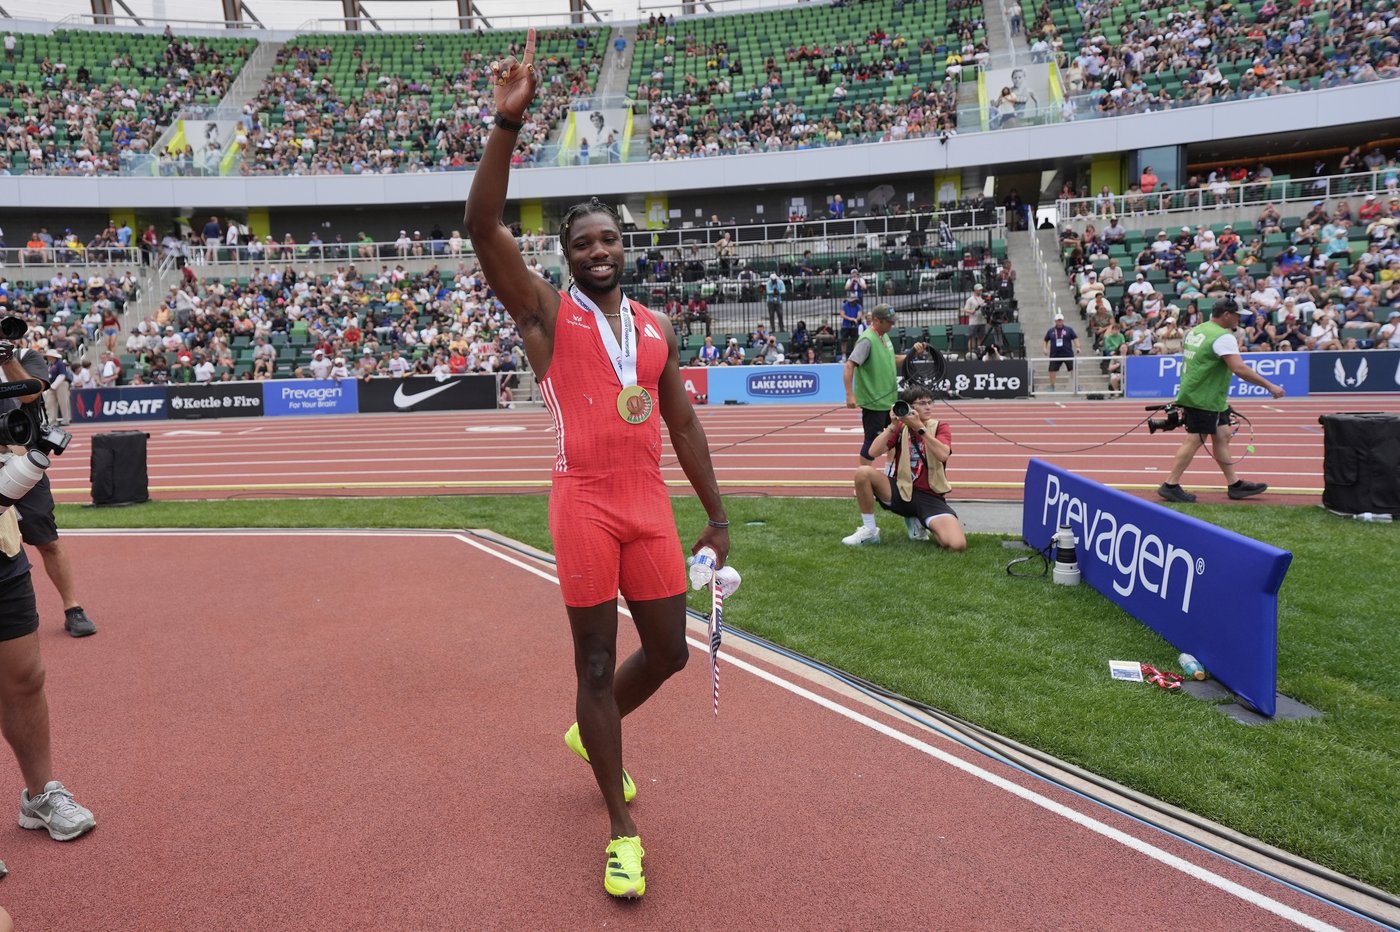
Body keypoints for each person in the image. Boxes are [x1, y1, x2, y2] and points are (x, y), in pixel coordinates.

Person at [465, 30, 729, 901]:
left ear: (626, 244)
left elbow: (684, 426)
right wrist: (508, 125)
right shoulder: (544, 313)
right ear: (568, 256)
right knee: (590, 667)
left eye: (608, 238)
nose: (598, 251)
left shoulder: (655, 328)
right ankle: (621, 826)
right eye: (582, 243)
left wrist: (719, 516)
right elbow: (480, 225)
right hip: (582, 503)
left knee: (670, 656)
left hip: (647, 504)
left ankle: (594, 727)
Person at [2, 343, 97, 637]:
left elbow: (30, 392)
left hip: (19, 461)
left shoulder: (23, 357)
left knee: (47, 540)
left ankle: (73, 608)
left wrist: (4, 356)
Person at [1157, 298, 1285, 504]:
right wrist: (1270, 386)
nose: (1239, 319)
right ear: (1226, 315)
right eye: (1237, 315)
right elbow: (1239, 368)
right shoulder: (1223, 337)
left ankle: (1234, 485)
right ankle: (1170, 485)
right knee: (1195, 439)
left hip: (1206, 394)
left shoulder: (1198, 330)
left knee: (1223, 434)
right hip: (1203, 397)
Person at [841, 384, 967, 550]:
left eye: (930, 402)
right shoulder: (900, 428)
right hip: (902, 490)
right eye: (922, 403)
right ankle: (870, 531)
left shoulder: (940, 426)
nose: (928, 406)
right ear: (909, 406)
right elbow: (873, 452)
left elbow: (943, 454)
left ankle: (920, 521)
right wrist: (892, 425)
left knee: (956, 545)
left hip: (930, 497)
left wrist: (920, 428)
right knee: (863, 472)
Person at [844, 304, 925, 466]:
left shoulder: (884, 336)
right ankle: (863, 479)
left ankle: (890, 473)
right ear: (876, 320)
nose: (892, 324)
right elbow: (849, 365)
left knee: (893, 439)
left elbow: (892, 359)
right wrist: (849, 395)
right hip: (873, 402)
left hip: (889, 401)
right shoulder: (867, 340)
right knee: (871, 442)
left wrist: (912, 354)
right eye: (889, 321)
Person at [1042, 312, 1080, 390]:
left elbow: (1075, 338)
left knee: (1073, 369)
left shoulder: (1069, 330)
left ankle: (1076, 386)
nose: (1059, 321)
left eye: (1060, 320)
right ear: (1055, 321)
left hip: (1067, 353)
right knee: (1052, 370)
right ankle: (1052, 386)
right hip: (1055, 354)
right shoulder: (1051, 331)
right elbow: (1045, 340)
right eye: (1058, 320)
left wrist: (1078, 347)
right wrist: (1045, 349)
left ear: (1063, 320)